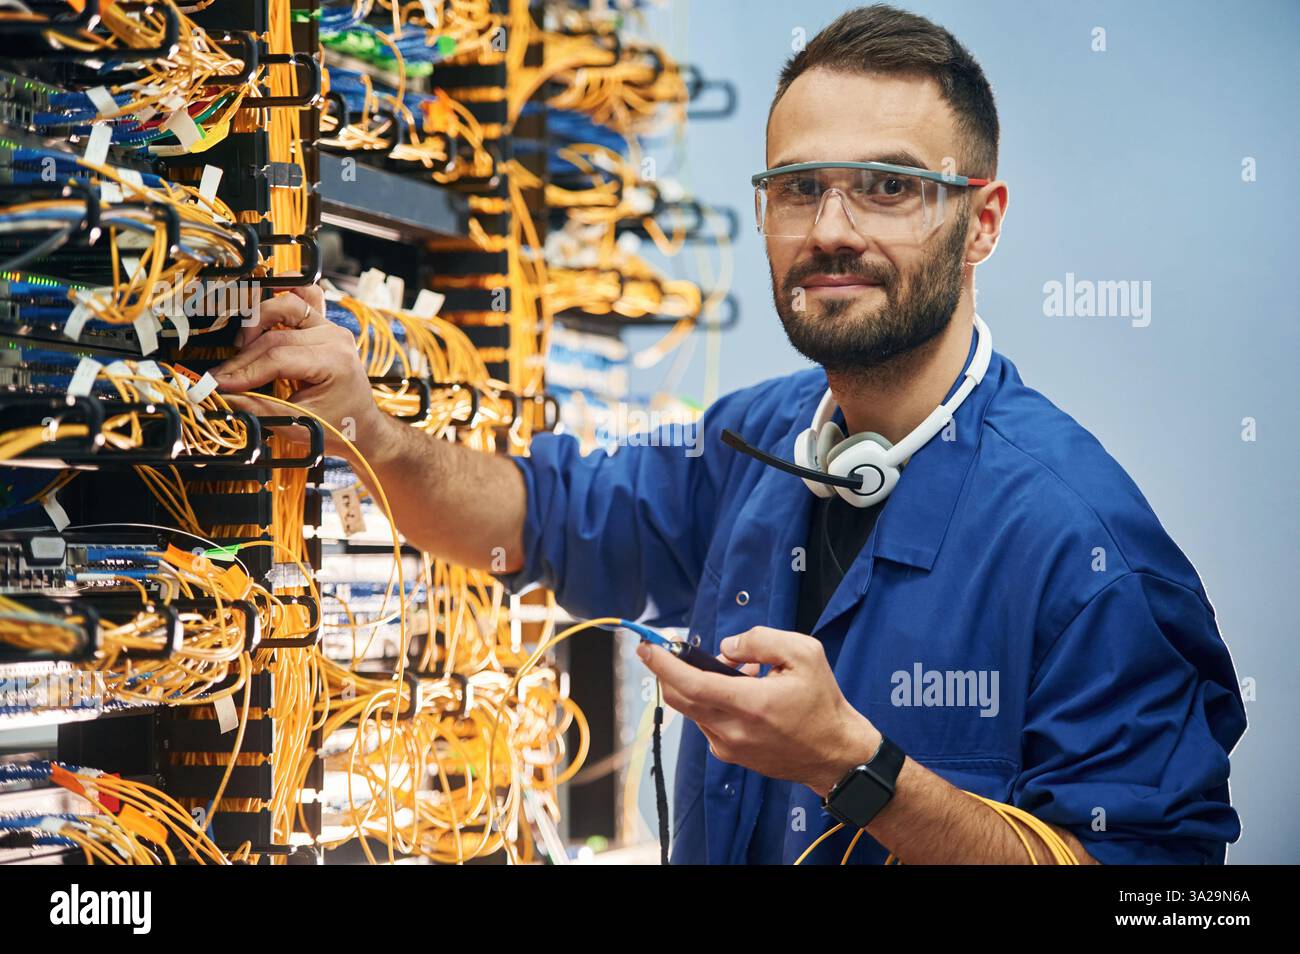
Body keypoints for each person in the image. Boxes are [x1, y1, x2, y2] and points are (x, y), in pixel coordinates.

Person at [213, 4, 1246, 865]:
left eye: (886, 187)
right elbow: (542, 518)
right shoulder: (755, 442)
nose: (831, 228)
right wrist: (370, 433)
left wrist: (858, 769)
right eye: (799, 188)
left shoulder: (1085, 550)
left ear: (981, 220)